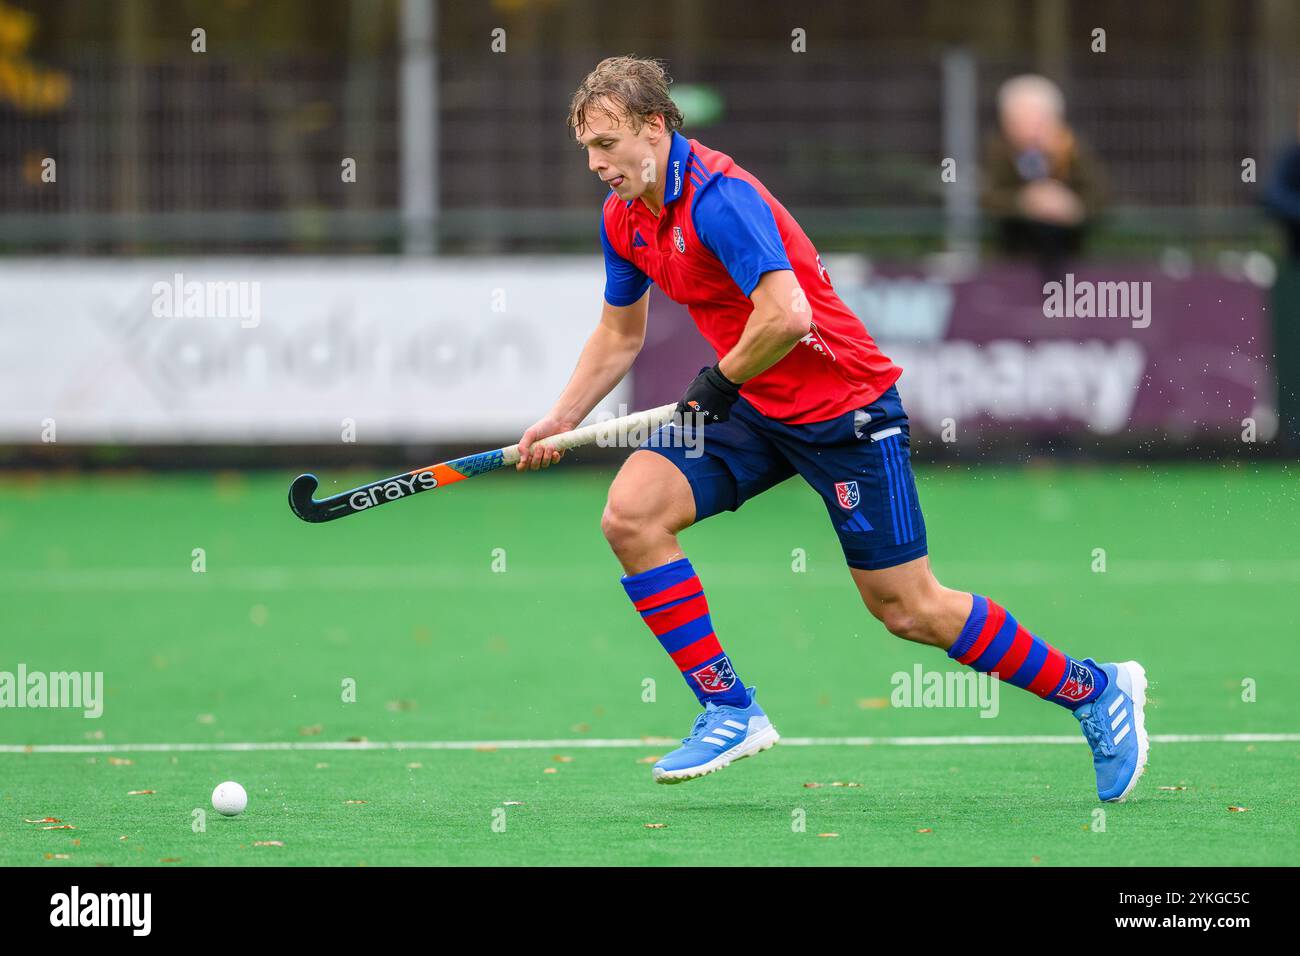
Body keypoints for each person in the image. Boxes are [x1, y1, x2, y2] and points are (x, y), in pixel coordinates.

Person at [516, 56, 1148, 800]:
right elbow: (619, 334)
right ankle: (728, 709)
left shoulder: (722, 198)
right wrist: (562, 418)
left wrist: (717, 384)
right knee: (631, 515)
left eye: (607, 144)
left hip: (842, 409)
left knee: (909, 610)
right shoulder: (624, 215)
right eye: (586, 148)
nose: (595, 164)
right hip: (757, 404)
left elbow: (788, 314)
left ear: (654, 128)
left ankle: (1095, 689)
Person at [982, 74, 1106, 274]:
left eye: (1036, 119)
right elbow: (987, 196)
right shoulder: (998, 150)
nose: (1028, 129)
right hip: (1014, 246)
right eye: (1018, 120)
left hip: (1068, 247)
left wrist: (1070, 205)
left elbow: (1099, 193)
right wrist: (1026, 202)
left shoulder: (1072, 149)